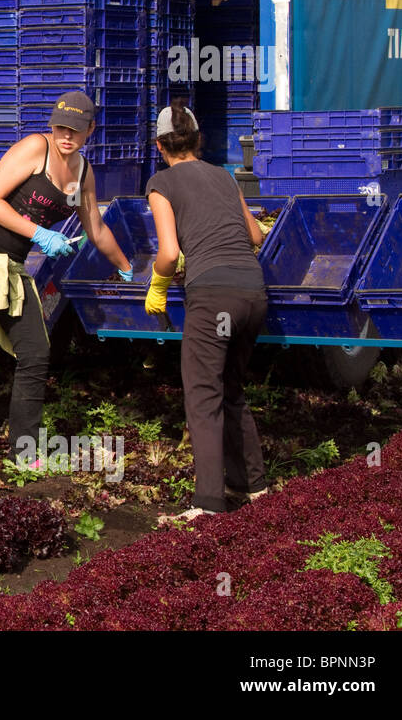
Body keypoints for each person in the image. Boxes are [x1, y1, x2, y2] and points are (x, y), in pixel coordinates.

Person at [0, 92, 134, 491]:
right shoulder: (35, 148)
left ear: (91, 130)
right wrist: (39, 233)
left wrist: (126, 268)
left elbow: (97, 229)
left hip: (13, 264)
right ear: (52, 125)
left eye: (75, 128)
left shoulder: (84, 174)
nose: (66, 135)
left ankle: (24, 451)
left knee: (36, 351)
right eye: (60, 126)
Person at [144, 102, 268, 523]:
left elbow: (169, 253)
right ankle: (254, 486)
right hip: (253, 291)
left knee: (202, 395)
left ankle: (209, 503)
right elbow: (253, 234)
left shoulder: (161, 183)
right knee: (231, 388)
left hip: (213, 296)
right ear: (199, 140)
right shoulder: (224, 175)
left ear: (160, 146)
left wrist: (159, 284)